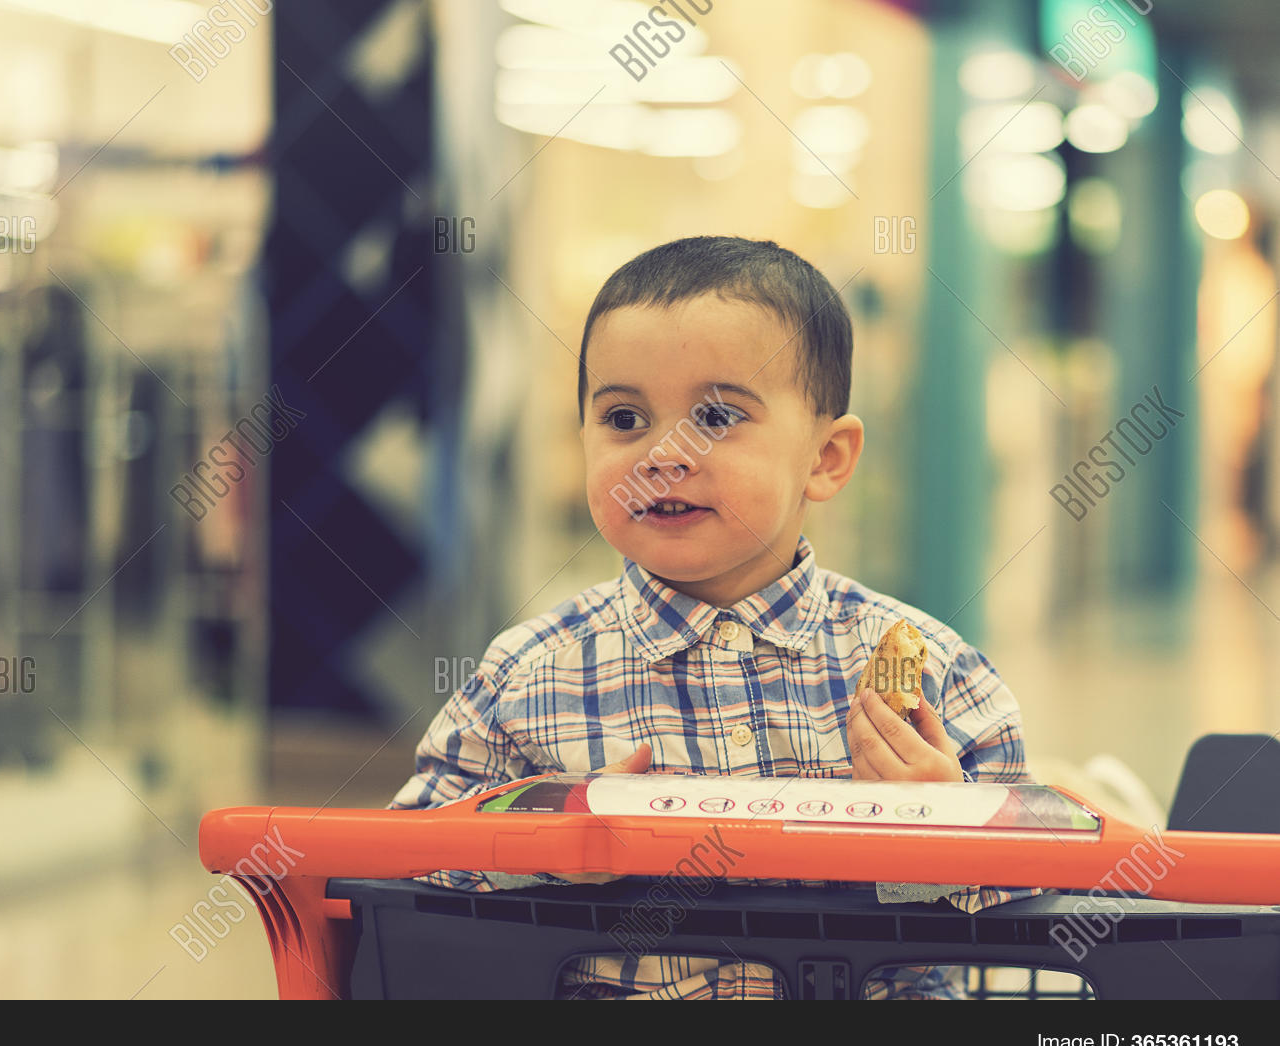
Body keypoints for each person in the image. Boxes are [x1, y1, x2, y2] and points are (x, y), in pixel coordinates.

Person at [388, 235, 1035, 999]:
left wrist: (944, 831)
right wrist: (535, 847)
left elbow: (1034, 898)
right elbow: (404, 868)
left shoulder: (940, 677)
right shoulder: (525, 678)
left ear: (826, 458)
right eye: (624, 417)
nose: (663, 454)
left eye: (718, 416)